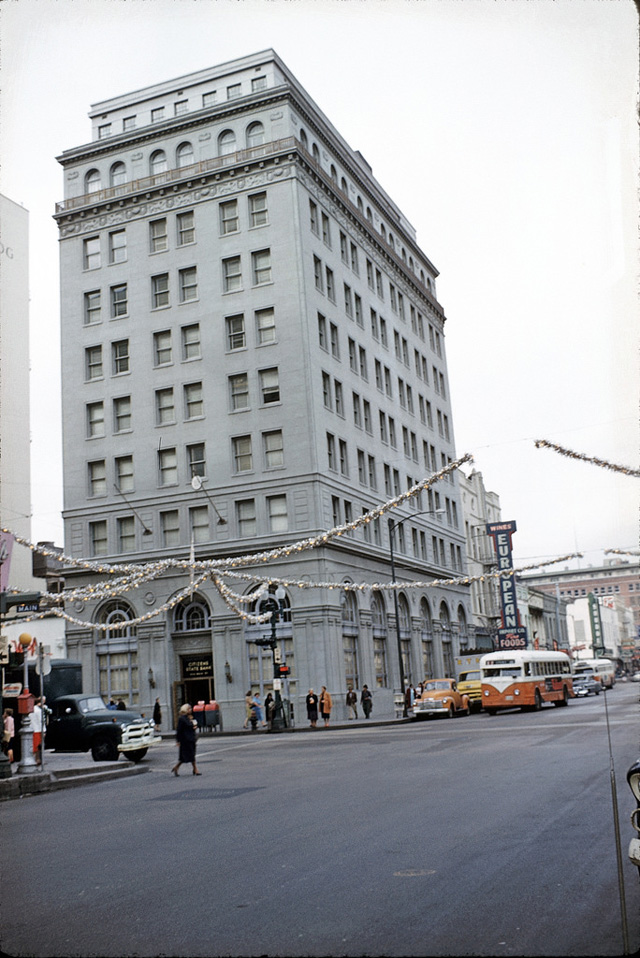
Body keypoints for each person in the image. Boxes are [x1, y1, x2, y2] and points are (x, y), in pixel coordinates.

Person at [172, 703, 200, 776]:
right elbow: (179, 730)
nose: (190, 710)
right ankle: (195, 769)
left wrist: (193, 726)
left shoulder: (189, 717)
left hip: (191, 738)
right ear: (185, 710)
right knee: (188, 755)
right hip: (185, 740)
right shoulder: (182, 719)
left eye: (190, 709)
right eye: (189, 709)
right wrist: (178, 741)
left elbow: (191, 726)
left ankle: (176, 767)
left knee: (189, 755)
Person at [32, 697, 43, 765]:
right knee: (38, 746)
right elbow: (41, 721)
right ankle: (37, 759)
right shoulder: (38, 710)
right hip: (37, 729)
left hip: (32, 729)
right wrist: (44, 730)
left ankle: (36, 759)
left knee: (34, 746)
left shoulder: (30, 710)